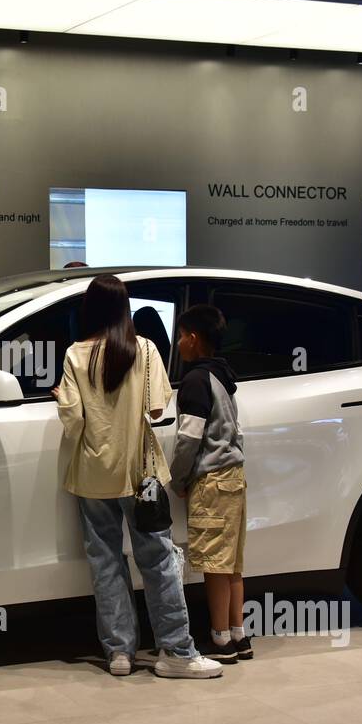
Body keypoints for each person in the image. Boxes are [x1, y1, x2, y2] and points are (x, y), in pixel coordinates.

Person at [54, 275, 222, 679]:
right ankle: (176, 651)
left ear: (89, 310)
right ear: (124, 309)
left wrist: (62, 398)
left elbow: (75, 421)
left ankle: (119, 653)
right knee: (158, 558)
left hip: (93, 474)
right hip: (141, 473)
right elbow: (157, 411)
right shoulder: (144, 349)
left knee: (105, 560)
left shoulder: (74, 356)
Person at [168, 305, 251, 665]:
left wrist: (179, 478)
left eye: (181, 336)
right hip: (235, 477)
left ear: (193, 338)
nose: (178, 343)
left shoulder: (196, 381)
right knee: (232, 564)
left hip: (211, 481)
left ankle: (219, 639)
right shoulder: (223, 375)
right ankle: (239, 634)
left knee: (215, 564)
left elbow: (189, 437)